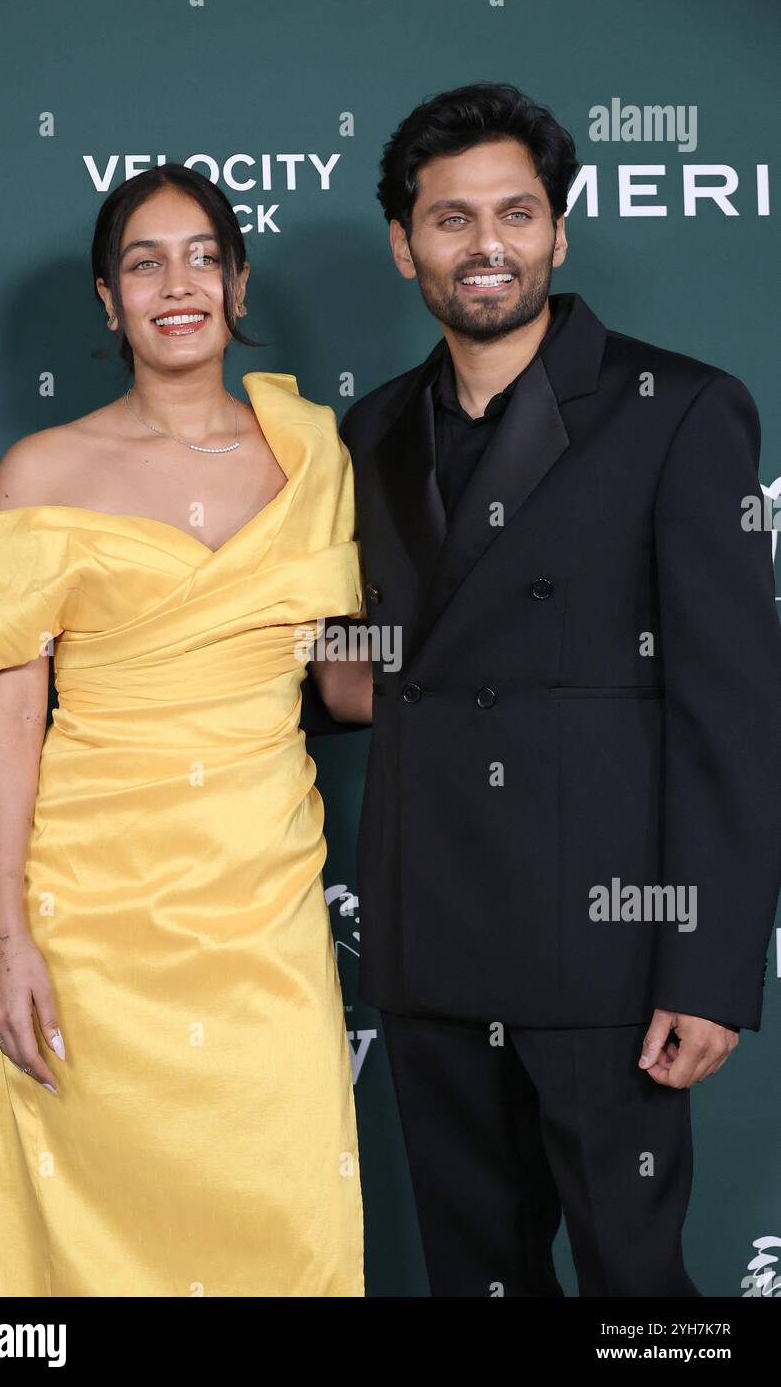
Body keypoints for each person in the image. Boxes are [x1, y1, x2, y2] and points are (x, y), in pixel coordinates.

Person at [303, 83, 781, 1297]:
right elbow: (364, 667)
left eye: (514, 214)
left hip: (604, 951)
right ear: (403, 244)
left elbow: (732, 714)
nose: (487, 245)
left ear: (557, 233)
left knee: (635, 1286)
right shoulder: (370, 431)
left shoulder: (676, 410)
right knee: (475, 1278)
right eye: (450, 218)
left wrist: (706, 970)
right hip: (428, 941)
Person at [0, 162, 371, 1297]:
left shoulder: (310, 456)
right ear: (108, 300)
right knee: (97, 1230)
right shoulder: (44, 470)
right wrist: (4, 936)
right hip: (93, 917)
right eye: (144, 263)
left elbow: (350, 684)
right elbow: (10, 717)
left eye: (203, 257)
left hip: (264, 903)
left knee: (288, 1214)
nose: (178, 285)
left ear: (239, 284)